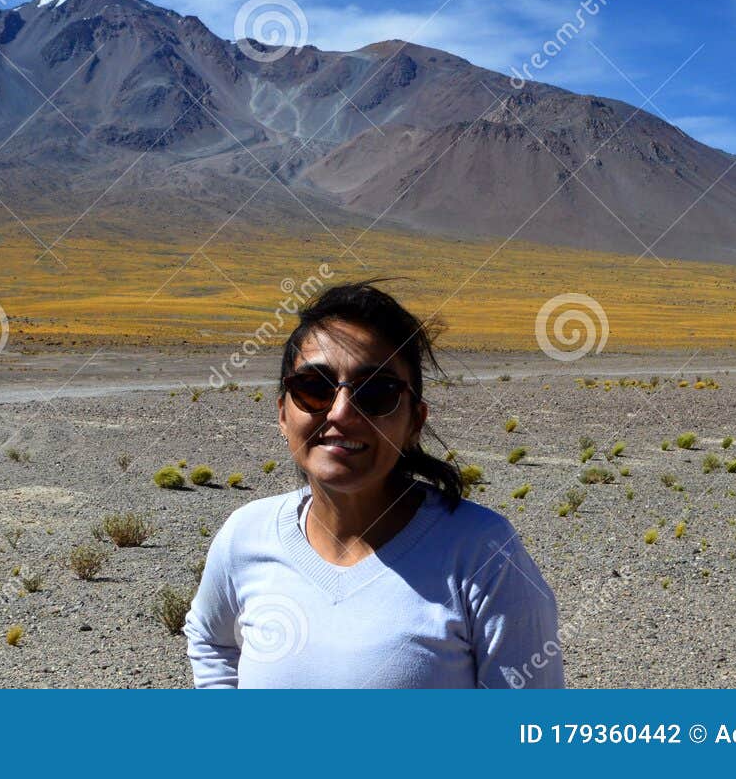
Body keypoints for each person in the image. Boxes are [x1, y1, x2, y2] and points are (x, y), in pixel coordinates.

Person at [185, 280, 563, 688]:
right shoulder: (246, 536)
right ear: (282, 414)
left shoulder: (483, 555)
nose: (341, 413)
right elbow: (210, 639)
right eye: (314, 388)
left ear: (414, 422)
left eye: (377, 392)